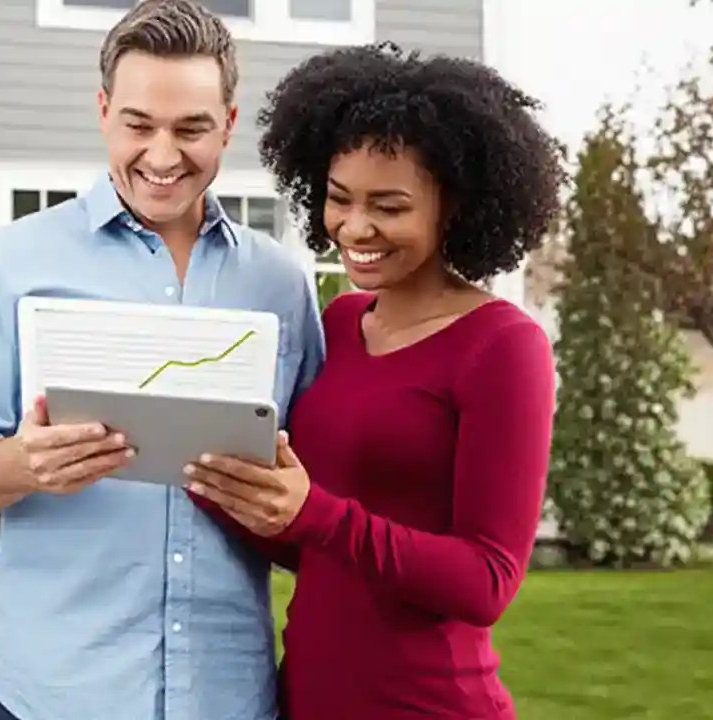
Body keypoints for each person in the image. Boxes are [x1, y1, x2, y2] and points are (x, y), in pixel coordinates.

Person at [0, 1, 324, 719]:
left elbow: (317, 493)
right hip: (57, 692)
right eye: (138, 125)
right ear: (104, 111)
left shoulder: (281, 285)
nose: (162, 157)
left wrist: (288, 503)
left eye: (191, 129)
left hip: (228, 695)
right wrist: (22, 464)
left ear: (228, 123)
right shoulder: (12, 263)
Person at [183, 42, 565, 719]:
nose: (354, 228)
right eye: (338, 199)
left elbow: (487, 581)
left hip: (430, 704)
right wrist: (209, 474)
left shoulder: (504, 347)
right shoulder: (341, 320)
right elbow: (323, 550)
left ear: (455, 206)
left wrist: (316, 514)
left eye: (388, 206)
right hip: (307, 698)